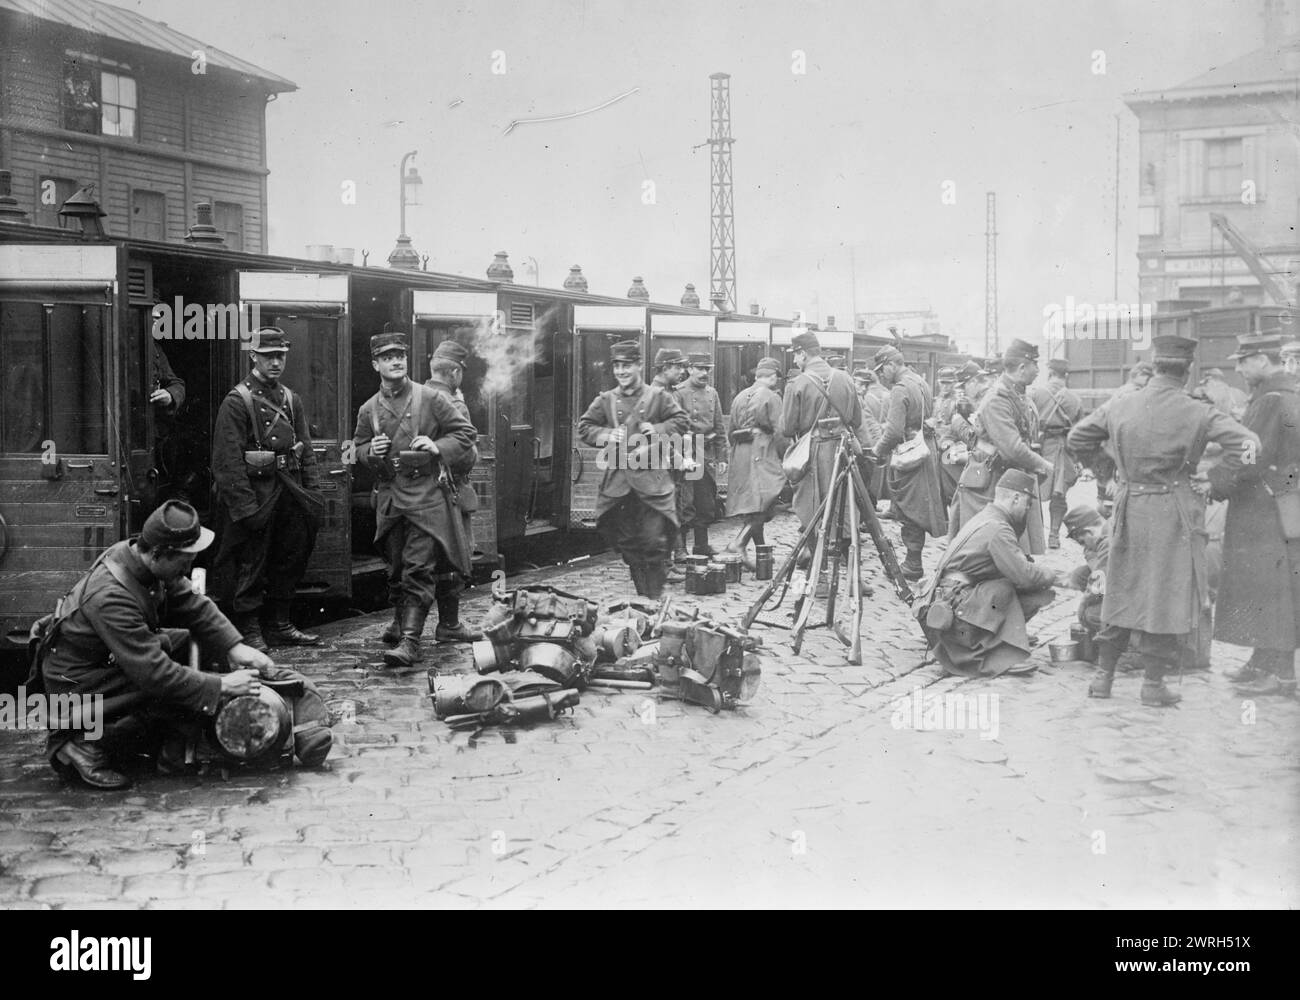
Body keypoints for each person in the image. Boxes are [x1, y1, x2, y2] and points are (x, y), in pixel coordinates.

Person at [1068, 335, 1258, 707]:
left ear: (1154, 366)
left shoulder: (1120, 404)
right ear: (1187, 371)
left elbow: (1078, 438)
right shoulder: (1198, 411)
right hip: (1174, 514)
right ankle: (1153, 684)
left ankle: (1103, 678)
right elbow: (1250, 444)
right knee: (1165, 595)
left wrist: (1110, 473)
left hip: (1129, 508)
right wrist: (1217, 479)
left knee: (1121, 588)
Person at [30, 501, 272, 790]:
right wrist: (221, 686)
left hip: (104, 663)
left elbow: (191, 601)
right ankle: (83, 744)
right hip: (78, 685)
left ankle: (177, 737)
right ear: (159, 554)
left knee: (185, 649)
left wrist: (235, 646)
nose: (189, 566)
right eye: (184, 560)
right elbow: (156, 674)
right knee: (167, 689)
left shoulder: (138, 557)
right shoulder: (110, 597)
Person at [354, 332, 480, 668]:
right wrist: (371, 452)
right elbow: (357, 448)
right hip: (392, 500)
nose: (396, 361)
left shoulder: (430, 398)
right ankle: (405, 629)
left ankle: (410, 642)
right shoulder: (369, 409)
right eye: (388, 356)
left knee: (418, 568)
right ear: (376, 364)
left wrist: (439, 446)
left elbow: (466, 434)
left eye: (401, 355)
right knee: (396, 569)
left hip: (426, 497)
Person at [211, 328, 323, 652]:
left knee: (290, 557)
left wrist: (312, 494)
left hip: (290, 492)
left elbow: (308, 451)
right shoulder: (238, 401)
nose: (275, 362)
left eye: (280, 355)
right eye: (268, 355)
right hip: (257, 496)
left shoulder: (291, 399)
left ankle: (280, 625)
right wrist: (245, 509)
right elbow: (227, 462)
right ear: (253, 356)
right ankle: (250, 631)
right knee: (251, 563)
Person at [1207, 332, 1300, 696]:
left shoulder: (1270, 400)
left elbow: (1251, 456)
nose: (1239, 368)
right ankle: (1263, 661)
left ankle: (1279, 673)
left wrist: (1213, 482)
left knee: (1268, 589)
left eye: (1244, 361)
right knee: (1282, 588)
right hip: (1287, 504)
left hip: (1263, 508)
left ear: (1262, 359)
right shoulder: (1290, 393)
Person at [914, 469, 1058, 678]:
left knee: (1010, 585)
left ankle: (1002, 637)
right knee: (1012, 590)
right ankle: (991, 653)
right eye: (1027, 503)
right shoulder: (998, 528)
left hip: (949, 597)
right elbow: (1025, 575)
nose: (1028, 509)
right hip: (955, 605)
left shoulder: (986, 516)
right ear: (1015, 498)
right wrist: (1054, 576)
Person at [577, 339, 689, 598]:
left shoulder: (658, 397)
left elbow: (681, 420)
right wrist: (606, 434)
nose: (621, 372)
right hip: (618, 486)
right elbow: (585, 427)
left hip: (652, 484)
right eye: (617, 366)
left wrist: (658, 429)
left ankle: (652, 597)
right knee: (628, 546)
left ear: (639, 365)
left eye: (627, 365)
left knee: (653, 543)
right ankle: (645, 596)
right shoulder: (606, 400)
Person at [950, 339, 1052, 553]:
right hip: (991, 480)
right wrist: (1042, 465)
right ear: (1022, 367)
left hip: (1007, 476)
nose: (1038, 370)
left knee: (1010, 543)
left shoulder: (1017, 395)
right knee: (985, 546)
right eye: (1035, 364)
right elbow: (1013, 447)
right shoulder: (998, 398)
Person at [780, 331, 865, 552]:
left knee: (811, 506)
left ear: (802, 354)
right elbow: (856, 419)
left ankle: (817, 570)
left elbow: (786, 428)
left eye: (796, 356)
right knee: (845, 505)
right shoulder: (845, 378)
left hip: (814, 453)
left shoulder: (797, 383)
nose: (795, 360)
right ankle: (852, 570)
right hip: (843, 450)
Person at [870, 345, 947, 581]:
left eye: (883, 369)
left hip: (908, 453)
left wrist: (878, 450)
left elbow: (893, 431)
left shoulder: (900, 389)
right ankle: (913, 560)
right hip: (924, 449)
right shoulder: (920, 382)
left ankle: (913, 564)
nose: (881, 374)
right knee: (917, 506)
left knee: (908, 509)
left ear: (893, 364)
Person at [424, 338, 481, 562]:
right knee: (455, 560)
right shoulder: (456, 405)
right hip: (450, 495)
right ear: (455, 372)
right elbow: (466, 458)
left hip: (421, 496)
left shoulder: (415, 398)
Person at [724, 357, 788, 556]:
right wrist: (787, 456)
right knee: (767, 501)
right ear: (773, 376)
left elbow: (730, 432)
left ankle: (761, 553)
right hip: (763, 450)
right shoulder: (771, 396)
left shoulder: (739, 396)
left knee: (754, 504)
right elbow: (780, 432)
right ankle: (739, 543)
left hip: (741, 453)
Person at [673, 353, 726, 556]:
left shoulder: (712, 393)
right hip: (686, 451)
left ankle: (701, 545)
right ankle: (680, 550)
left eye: (708, 369)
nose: (705, 373)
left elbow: (719, 426)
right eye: (700, 368)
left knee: (706, 501)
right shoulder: (679, 393)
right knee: (685, 501)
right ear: (689, 369)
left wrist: (722, 456)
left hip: (707, 453)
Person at [1029, 358, 1084, 548]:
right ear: (1065, 376)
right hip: (1064, 449)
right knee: (1060, 495)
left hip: (1040, 448)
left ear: (1050, 373)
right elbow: (1079, 431)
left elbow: (1029, 422)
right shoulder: (1075, 399)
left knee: (1032, 491)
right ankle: (1053, 535)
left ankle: (1032, 537)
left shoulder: (1037, 394)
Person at [1062, 504, 1109, 642]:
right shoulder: (1106, 530)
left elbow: (1099, 583)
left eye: (1082, 542)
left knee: (1090, 615)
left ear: (1089, 531)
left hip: (1138, 599)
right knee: (1080, 575)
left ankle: (1127, 637)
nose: (1084, 547)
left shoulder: (1107, 542)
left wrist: (1083, 605)